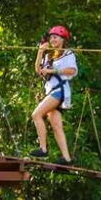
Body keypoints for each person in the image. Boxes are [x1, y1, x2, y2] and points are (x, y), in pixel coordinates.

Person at [30, 25, 78, 165]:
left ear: (63, 39)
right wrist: (40, 52)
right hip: (52, 91)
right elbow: (38, 70)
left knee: (36, 115)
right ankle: (67, 158)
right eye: (51, 37)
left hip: (59, 91)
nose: (53, 39)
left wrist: (53, 71)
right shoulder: (48, 56)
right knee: (56, 126)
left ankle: (43, 149)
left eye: (56, 37)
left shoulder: (68, 53)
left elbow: (72, 71)